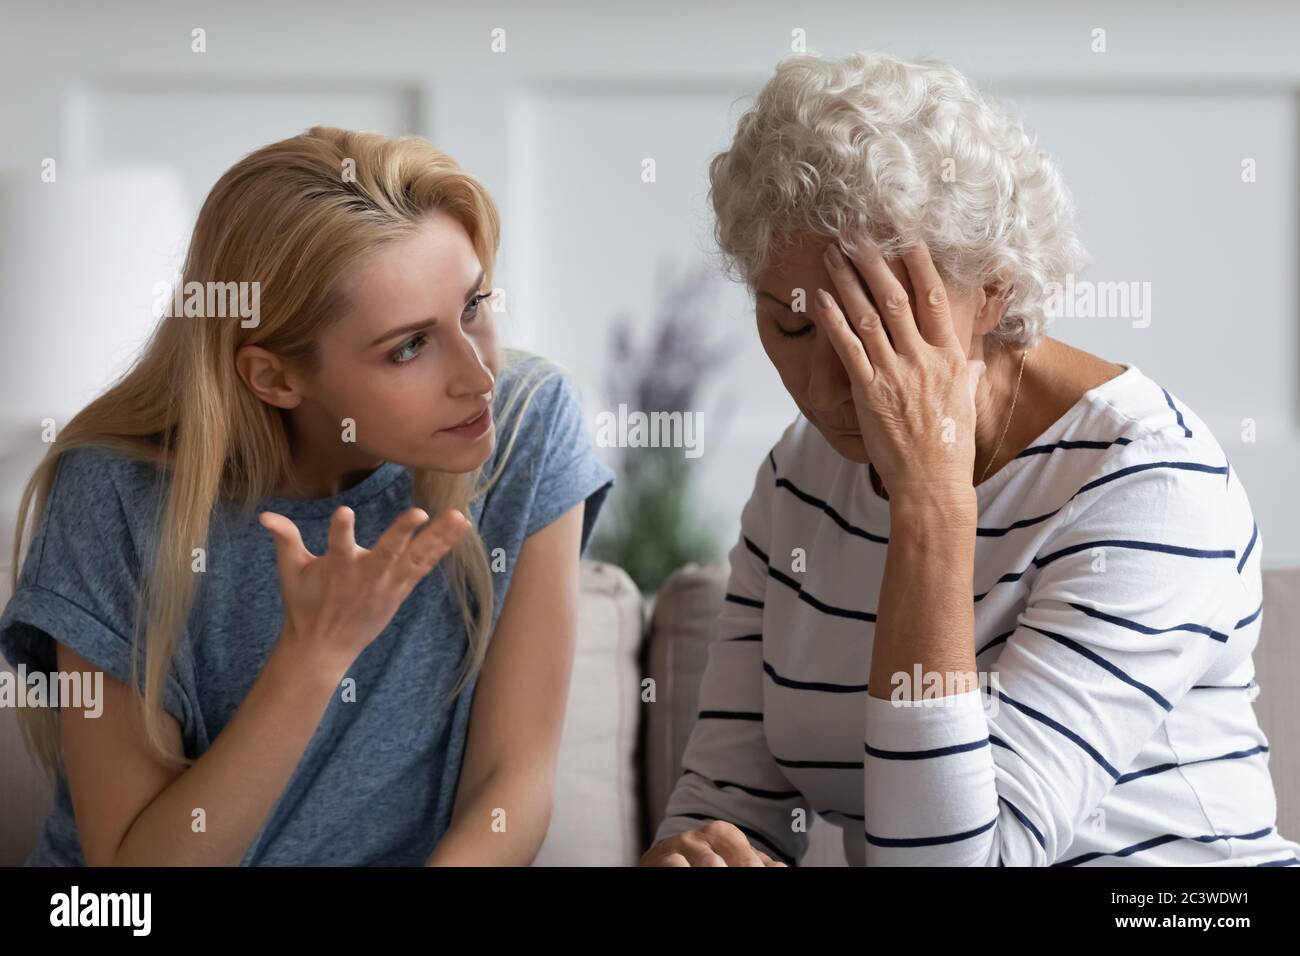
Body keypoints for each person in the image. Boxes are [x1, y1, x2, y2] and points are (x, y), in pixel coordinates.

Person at [642, 51, 1299, 867]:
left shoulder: (1156, 486)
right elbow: (725, 804)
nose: (822, 385)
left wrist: (932, 504)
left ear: (993, 288)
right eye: (793, 326)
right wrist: (693, 855)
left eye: (875, 327)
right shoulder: (801, 476)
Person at [0, 127, 614, 866]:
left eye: (475, 305)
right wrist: (314, 658)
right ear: (274, 379)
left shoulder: (526, 426)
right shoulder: (115, 492)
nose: (479, 375)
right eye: (410, 346)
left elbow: (509, 784)